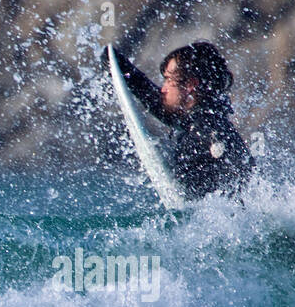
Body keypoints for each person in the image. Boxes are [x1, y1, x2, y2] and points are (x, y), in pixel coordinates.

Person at [101, 40, 253, 199]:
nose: (163, 89)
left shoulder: (207, 126)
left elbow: (218, 143)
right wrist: (123, 69)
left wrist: (214, 142)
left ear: (190, 85)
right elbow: (155, 102)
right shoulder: (197, 118)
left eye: (168, 80)